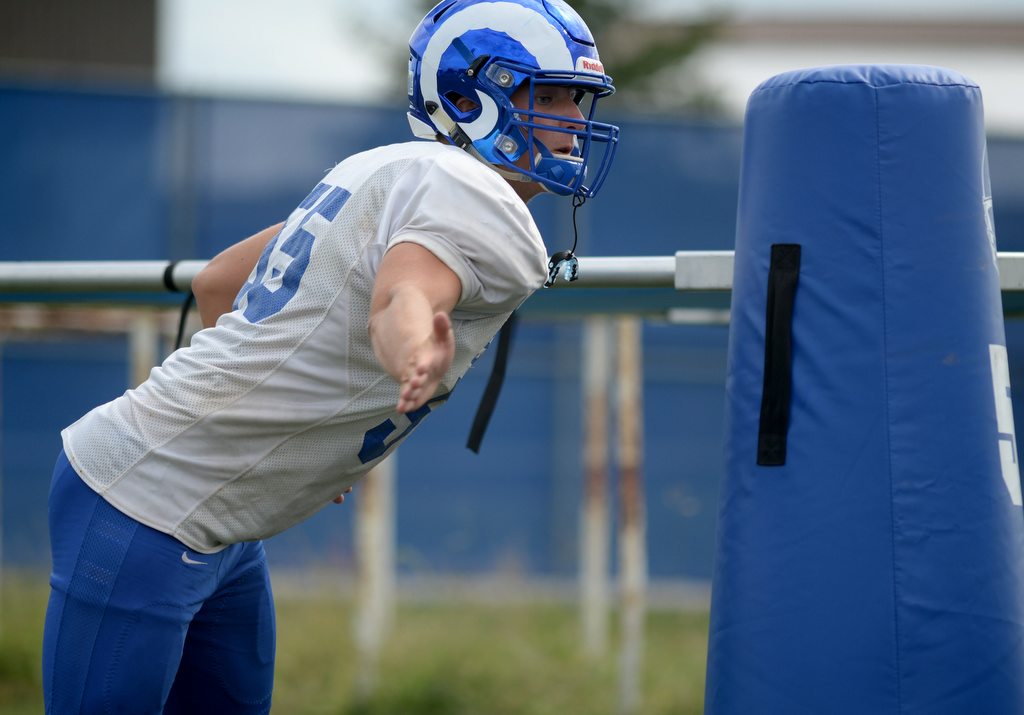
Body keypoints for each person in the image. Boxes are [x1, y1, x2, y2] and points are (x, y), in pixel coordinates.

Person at [42, 0, 619, 712]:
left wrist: (293, 423)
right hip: (146, 503)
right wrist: (414, 349)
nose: (574, 119)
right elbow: (401, 297)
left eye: (578, 98)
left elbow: (217, 282)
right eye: (551, 96)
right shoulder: (478, 201)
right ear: (470, 100)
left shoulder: (390, 166)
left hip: (216, 517)